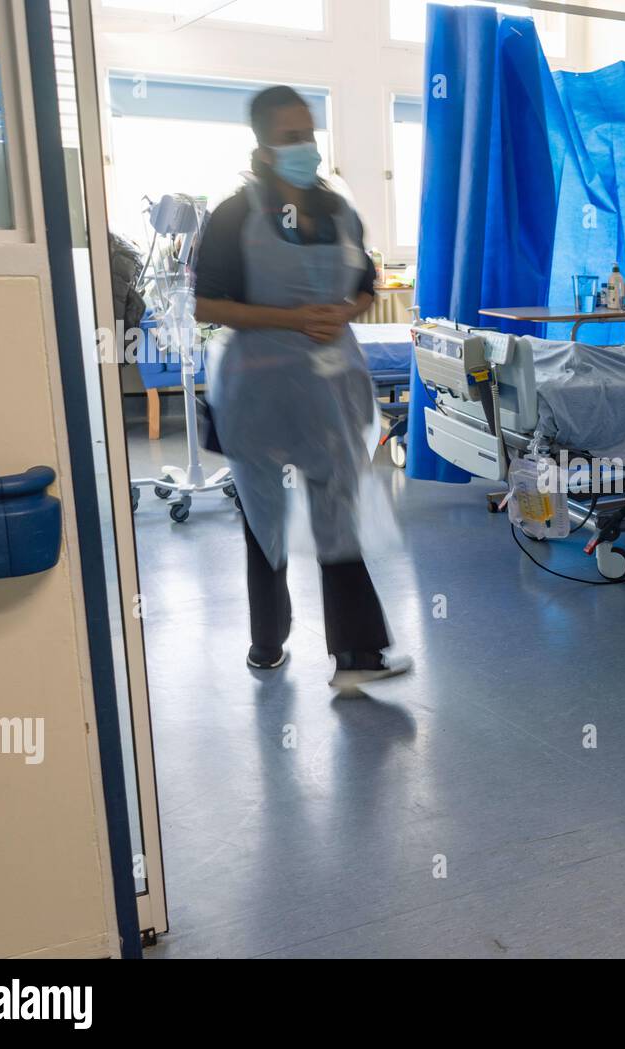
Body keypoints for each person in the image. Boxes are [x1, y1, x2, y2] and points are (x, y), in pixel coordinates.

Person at [194, 85, 410, 688]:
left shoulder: (339, 212)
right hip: (258, 389)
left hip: (327, 388)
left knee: (337, 512)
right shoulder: (234, 214)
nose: (304, 148)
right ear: (262, 146)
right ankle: (268, 640)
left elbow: (368, 283)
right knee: (265, 517)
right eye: (290, 137)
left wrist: (347, 309)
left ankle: (357, 657)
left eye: (308, 134)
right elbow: (205, 305)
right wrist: (291, 320)